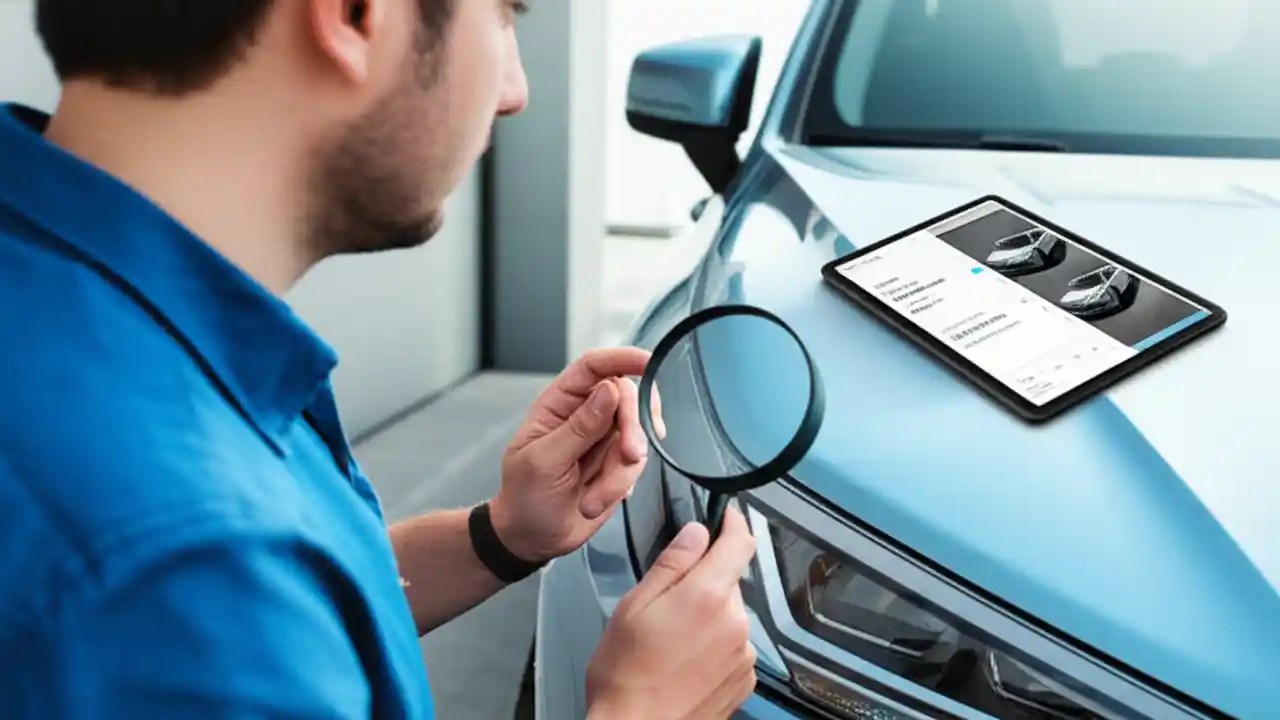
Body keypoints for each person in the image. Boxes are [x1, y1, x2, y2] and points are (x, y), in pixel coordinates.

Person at [0, 1, 759, 718]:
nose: (513, 92)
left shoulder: (89, 308)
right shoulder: (180, 554)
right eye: (502, 15)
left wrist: (500, 536)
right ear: (355, 13)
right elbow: (220, 597)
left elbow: (284, 618)